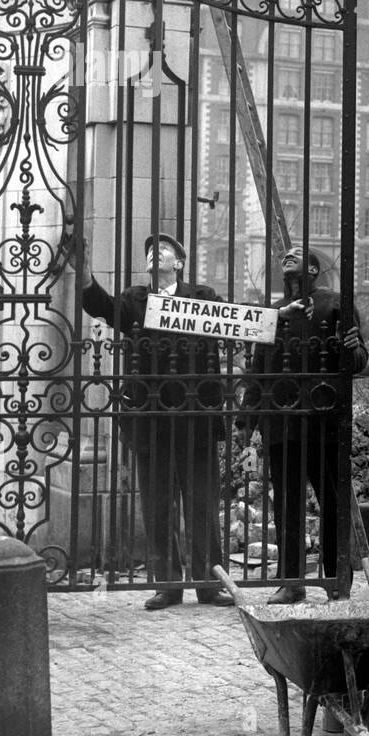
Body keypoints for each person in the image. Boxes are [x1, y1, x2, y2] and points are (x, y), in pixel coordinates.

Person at [81, 232, 234, 610]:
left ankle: (208, 582)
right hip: (150, 418)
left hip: (195, 417)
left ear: (179, 263)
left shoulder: (202, 298)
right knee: (157, 502)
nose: (154, 254)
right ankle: (168, 584)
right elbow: (102, 306)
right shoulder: (135, 299)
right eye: (149, 250)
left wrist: (277, 315)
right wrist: (83, 272)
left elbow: (239, 322)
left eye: (162, 250)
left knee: (201, 503)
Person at [240, 247, 368, 603]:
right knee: (287, 505)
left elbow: (359, 361)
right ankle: (292, 582)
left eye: (297, 254)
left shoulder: (335, 303)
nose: (287, 256)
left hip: (324, 424)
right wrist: (246, 423)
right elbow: (257, 372)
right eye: (284, 255)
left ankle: (335, 579)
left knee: (331, 502)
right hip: (282, 425)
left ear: (312, 268)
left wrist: (352, 348)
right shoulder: (273, 314)